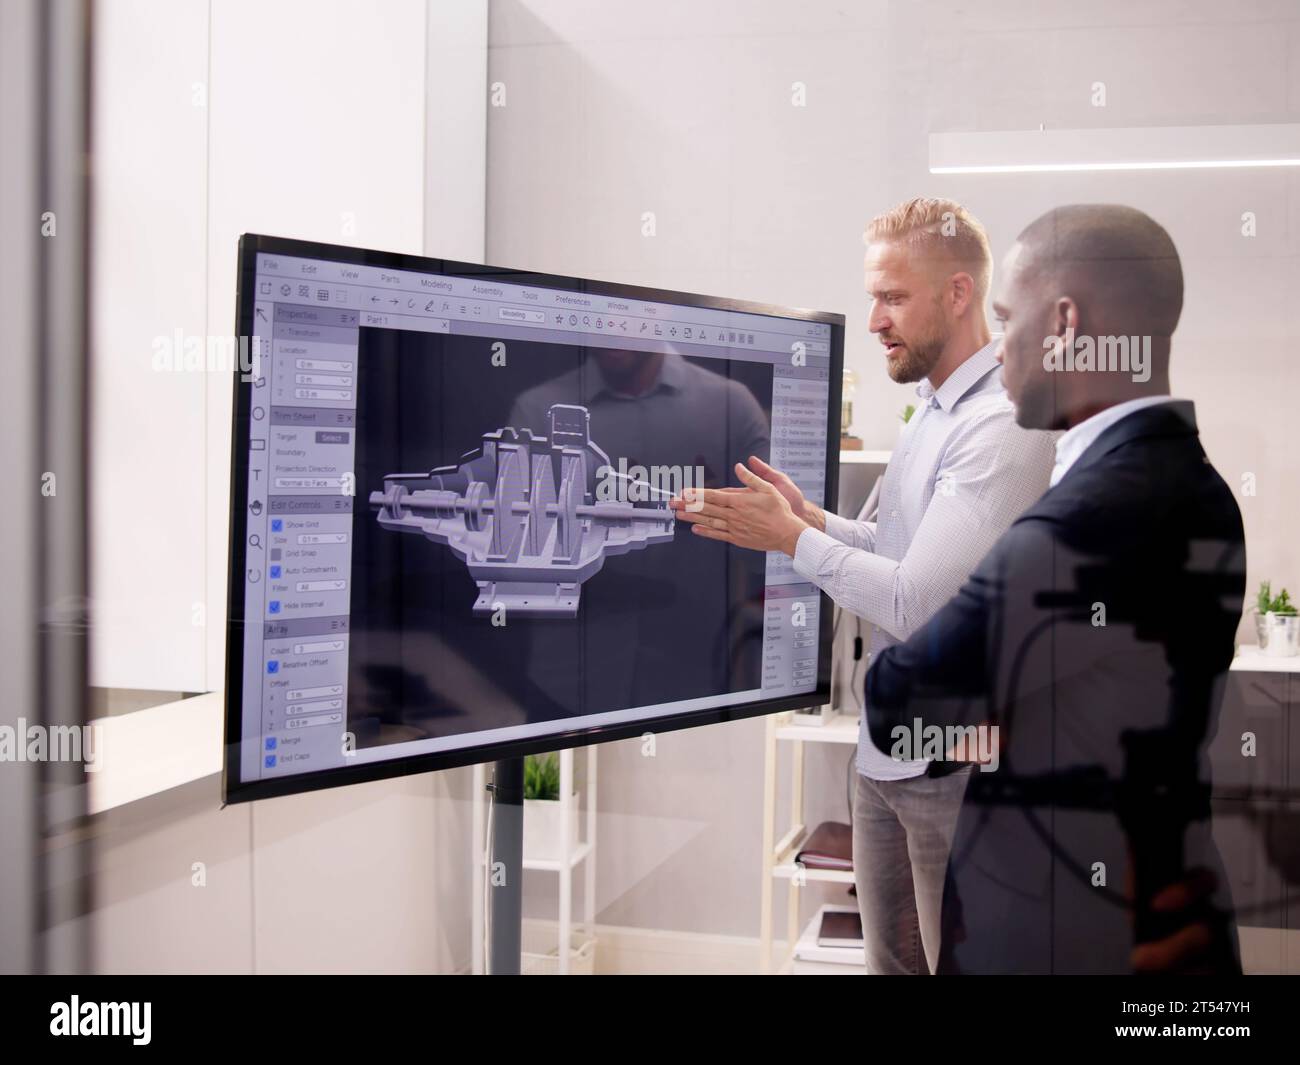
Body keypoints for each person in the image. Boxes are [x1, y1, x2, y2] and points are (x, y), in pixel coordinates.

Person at [670, 197, 1056, 974]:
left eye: (893, 296)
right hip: (883, 755)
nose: (874, 318)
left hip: (957, 769)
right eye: (872, 295)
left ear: (958, 293)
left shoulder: (1003, 423)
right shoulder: (929, 414)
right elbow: (890, 547)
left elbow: (915, 599)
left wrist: (792, 537)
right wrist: (806, 515)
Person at [861, 204, 1245, 973]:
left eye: (1008, 318)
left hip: (1052, 933)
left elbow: (902, 700)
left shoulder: (1086, 518)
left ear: (1065, 321)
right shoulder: (1200, 487)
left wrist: (974, 708)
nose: (999, 348)